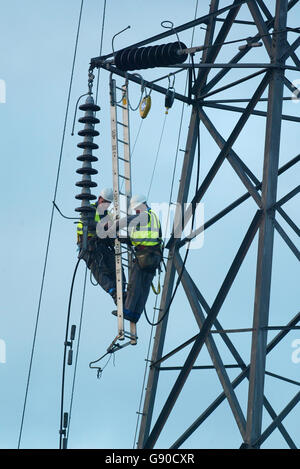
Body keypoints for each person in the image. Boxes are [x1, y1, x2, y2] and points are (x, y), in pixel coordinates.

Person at [110, 194, 163, 323]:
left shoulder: (144, 216)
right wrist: (127, 239)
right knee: (144, 288)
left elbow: (125, 221)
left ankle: (127, 310)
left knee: (135, 285)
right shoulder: (153, 218)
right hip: (154, 257)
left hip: (144, 256)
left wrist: (112, 229)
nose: (136, 211)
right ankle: (136, 315)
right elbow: (144, 237)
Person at [77, 188, 125, 304]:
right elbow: (87, 224)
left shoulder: (107, 215)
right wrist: (104, 226)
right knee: (99, 269)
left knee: (117, 267)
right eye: (104, 202)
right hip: (88, 246)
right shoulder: (89, 210)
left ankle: (122, 292)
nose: (105, 205)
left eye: (108, 203)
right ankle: (113, 291)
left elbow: (110, 233)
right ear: (99, 199)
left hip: (102, 245)